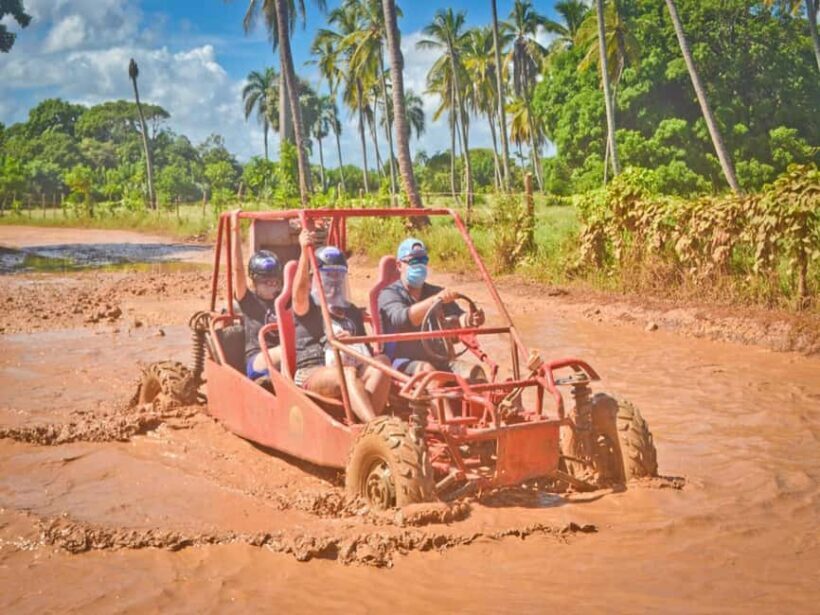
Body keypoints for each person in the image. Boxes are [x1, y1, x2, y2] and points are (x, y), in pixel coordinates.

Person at [292, 228, 390, 422]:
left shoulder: (351, 310)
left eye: (339, 275)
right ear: (315, 278)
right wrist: (304, 252)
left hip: (350, 367)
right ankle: (374, 425)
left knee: (383, 362)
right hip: (313, 370)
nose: (334, 282)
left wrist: (352, 342)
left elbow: (366, 353)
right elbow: (298, 294)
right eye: (328, 276)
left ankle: (366, 420)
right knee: (347, 373)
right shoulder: (308, 306)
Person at [378, 237, 485, 375]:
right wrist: (435, 300)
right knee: (429, 373)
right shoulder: (389, 294)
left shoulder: (434, 292)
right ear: (399, 266)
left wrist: (470, 319)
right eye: (413, 261)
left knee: (475, 372)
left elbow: (458, 317)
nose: (419, 265)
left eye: (423, 260)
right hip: (401, 361)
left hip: (439, 360)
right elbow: (402, 319)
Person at [229, 210, 283, 380]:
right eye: (266, 282)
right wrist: (235, 230)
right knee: (289, 349)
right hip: (257, 360)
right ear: (254, 283)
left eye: (275, 281)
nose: (272, 285)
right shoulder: (249, 300)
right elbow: (237, 270)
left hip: (283, 359)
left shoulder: (283, 300)